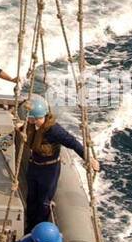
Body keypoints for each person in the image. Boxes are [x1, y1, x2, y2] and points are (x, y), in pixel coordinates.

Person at [23, 94, 99, 232]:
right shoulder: (31, 125)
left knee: (43, 202)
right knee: (31, 198)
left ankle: (36, 229)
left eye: (35, 119)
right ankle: (29, 225)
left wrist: (88, 158)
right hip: (34, 166)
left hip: (48, 171)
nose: (32, 121)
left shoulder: (54, 130)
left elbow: (73, 143)